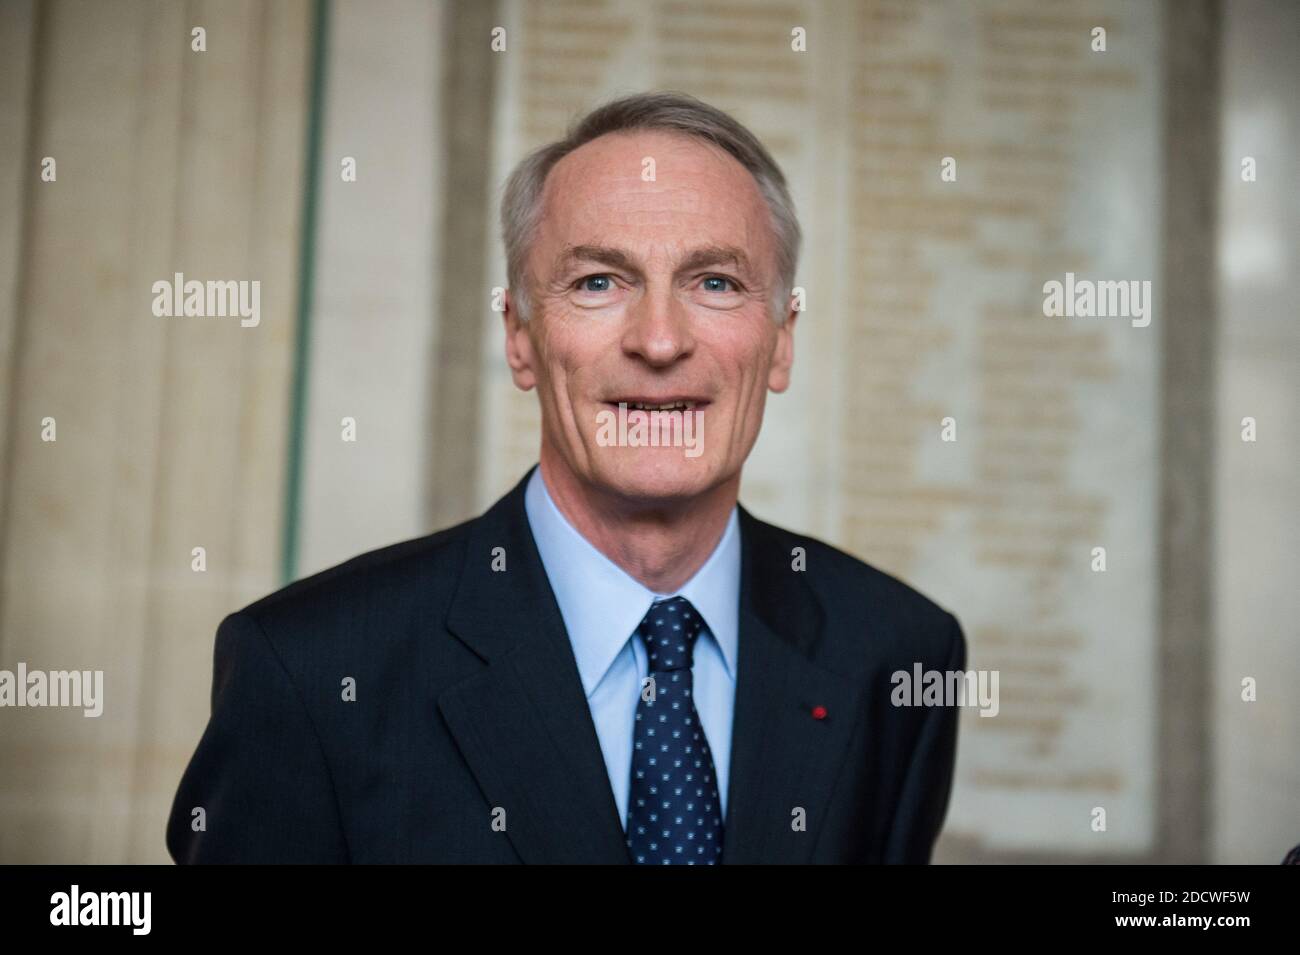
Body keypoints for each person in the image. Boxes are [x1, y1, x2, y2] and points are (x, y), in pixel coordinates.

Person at [167, 90, 966, 864]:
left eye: (715, 282)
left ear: (782, 340)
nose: (659, 341)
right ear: (519, 335)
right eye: (598, 283)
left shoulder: (896, 655)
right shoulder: (309, 672)